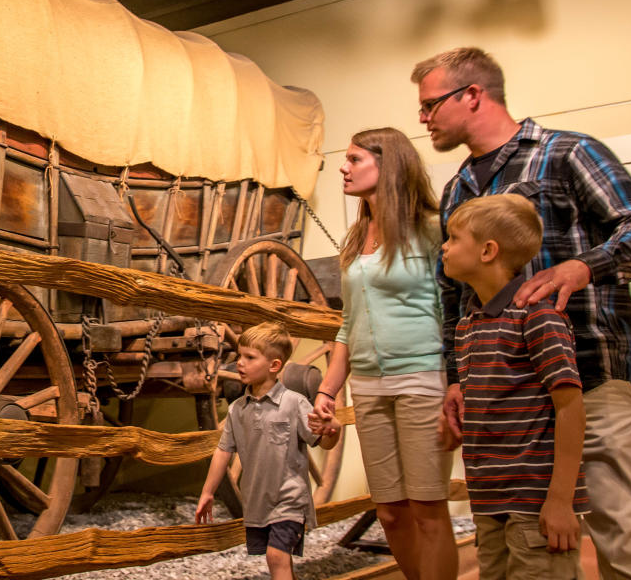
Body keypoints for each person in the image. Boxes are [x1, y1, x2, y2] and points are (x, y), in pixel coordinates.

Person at [412, 46, 631, 579]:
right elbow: (454, 298)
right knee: (526, 543)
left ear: (472, 95)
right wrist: (457, 379)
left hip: (587, 377)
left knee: (625, 538)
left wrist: (582, 268)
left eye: (429, 105)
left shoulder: (568, 153)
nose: (423, 119)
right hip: (509, 409)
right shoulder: (456, 190)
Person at [311, 127, 458, 580]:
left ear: (387, 164)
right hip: (369, 388)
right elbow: (348, 324)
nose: (343, 166)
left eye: (355, 159)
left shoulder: (433, 230)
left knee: (428, 507)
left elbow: (453, 308)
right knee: (391, 511)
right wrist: (328, 390)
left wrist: (458, 383)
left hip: (423, 381)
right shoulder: (356, 237)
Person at [441, 194, 587, 578]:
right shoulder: (467, 326)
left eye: (454, 238)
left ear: (488, 251)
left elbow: (570, 407)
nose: (444, 246)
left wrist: (560, 500)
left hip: (536, 505)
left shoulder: (538, 317)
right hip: (490, 504)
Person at [195, 322, 339, 580]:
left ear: (274, 366)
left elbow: (322, 441)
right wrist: (207, 492)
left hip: (290, 500)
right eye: (240, 356)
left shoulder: (294, 403)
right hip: (258, 502)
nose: (240, 362)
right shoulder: (237, 410)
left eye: (250, 357)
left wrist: (333, 431)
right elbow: (223, 452)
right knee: (278, 561)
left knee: (276, 557)